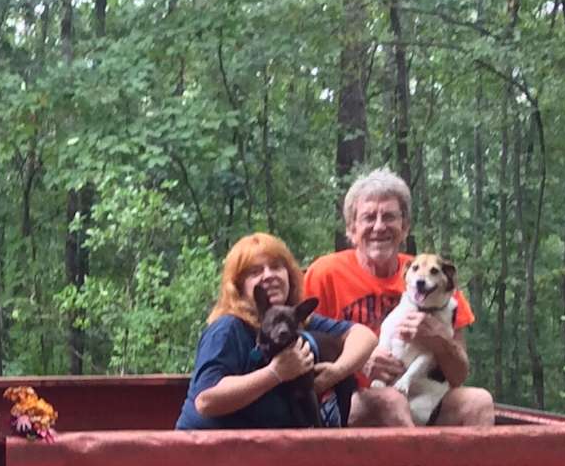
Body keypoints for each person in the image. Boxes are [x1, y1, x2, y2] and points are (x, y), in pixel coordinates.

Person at [304, 168, 495, 427]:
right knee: (392, 401)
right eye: (369, 217)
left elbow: (458, 375)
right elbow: (303, 348)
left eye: (390, 217)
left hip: (422, 396)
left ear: (405, 228)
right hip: (350, 401)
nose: (379, 226)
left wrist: (439, 340)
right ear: (351, 229)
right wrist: (358, 360)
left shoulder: (433, 280)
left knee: (478, 402)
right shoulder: (325, 274)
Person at [177, 233, 379, 430]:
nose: (269, 275)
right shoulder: (227, 329)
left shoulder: (293, 322)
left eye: (276, 267)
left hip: (263, 453)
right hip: (206, 454)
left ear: (289, 276)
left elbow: (364, 337)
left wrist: (335, 372)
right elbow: (206, 401)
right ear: (238, 286)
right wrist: (276, 372)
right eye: (255, 271)